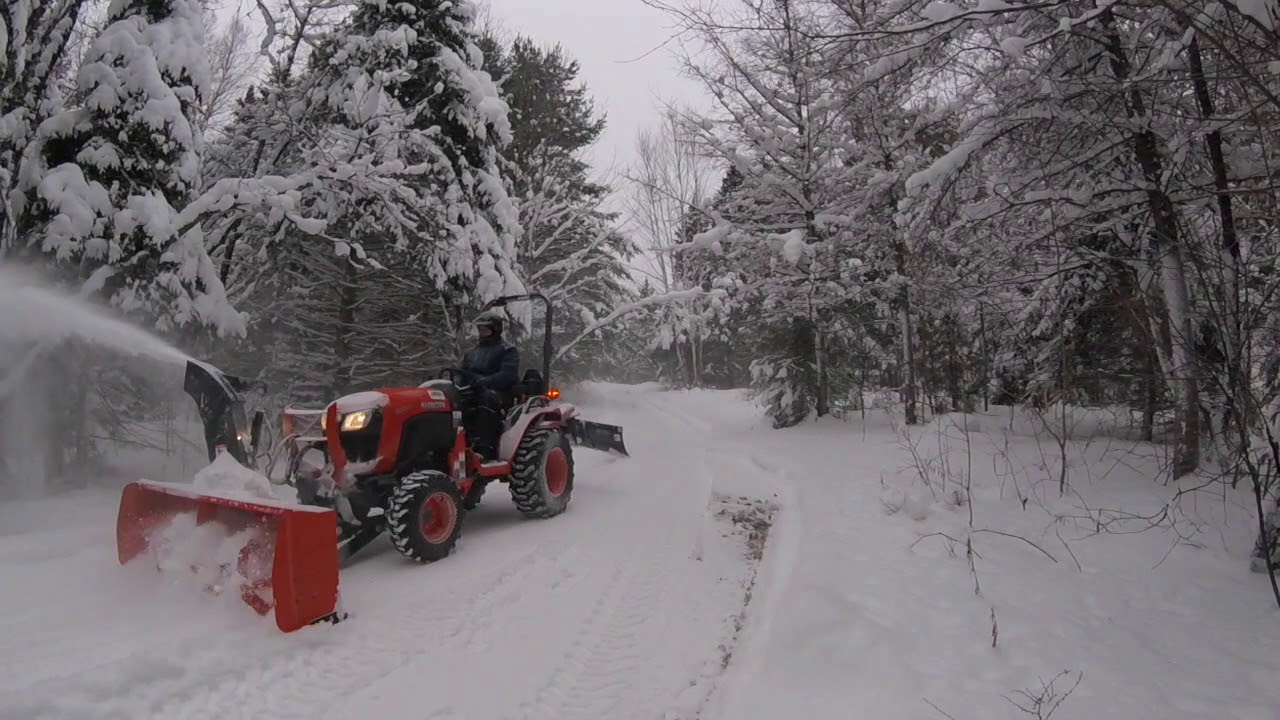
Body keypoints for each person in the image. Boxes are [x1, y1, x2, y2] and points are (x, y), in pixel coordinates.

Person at [459, 310, 520, 459]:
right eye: (480, 329)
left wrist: (485, 381)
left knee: (486, 398)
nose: (481, 332)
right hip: (474, 389)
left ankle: (483, 447)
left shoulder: (508, 350)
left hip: (499, 392)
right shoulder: (472, 353)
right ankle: (454, 441)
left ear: (496, 329)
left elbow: (507, 375)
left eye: (485, 329)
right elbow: (463, 373)